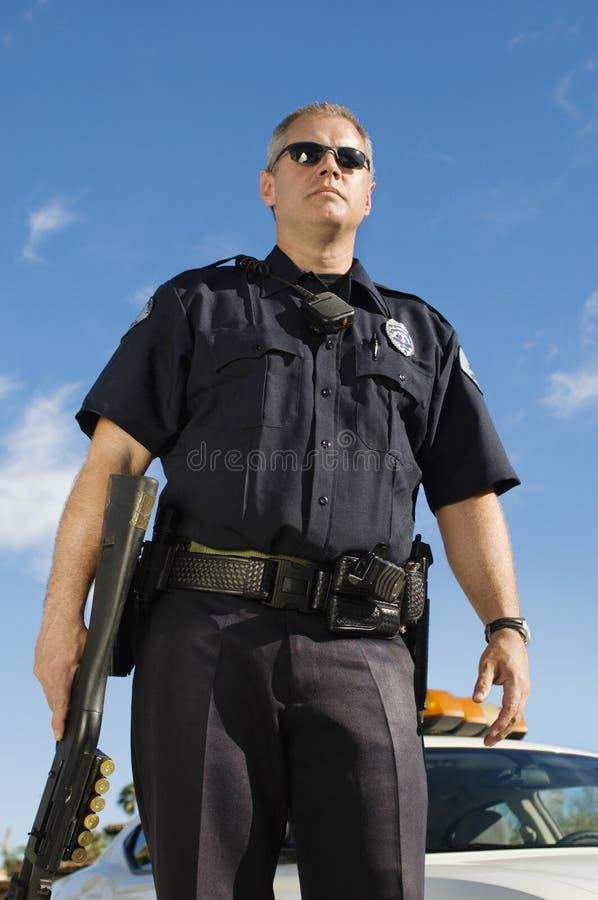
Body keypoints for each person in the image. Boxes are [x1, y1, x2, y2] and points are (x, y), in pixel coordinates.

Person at [34, 102, 530, 900]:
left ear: (370, 192)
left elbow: (467, 495)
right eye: (305, 153)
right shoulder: (195, 306)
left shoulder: (424, 336)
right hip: (206, 642)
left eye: (349, 158)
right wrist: (63, 620)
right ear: (269, 185)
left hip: (367, 649)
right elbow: (111, 467)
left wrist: (506, 624)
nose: (329, 165)